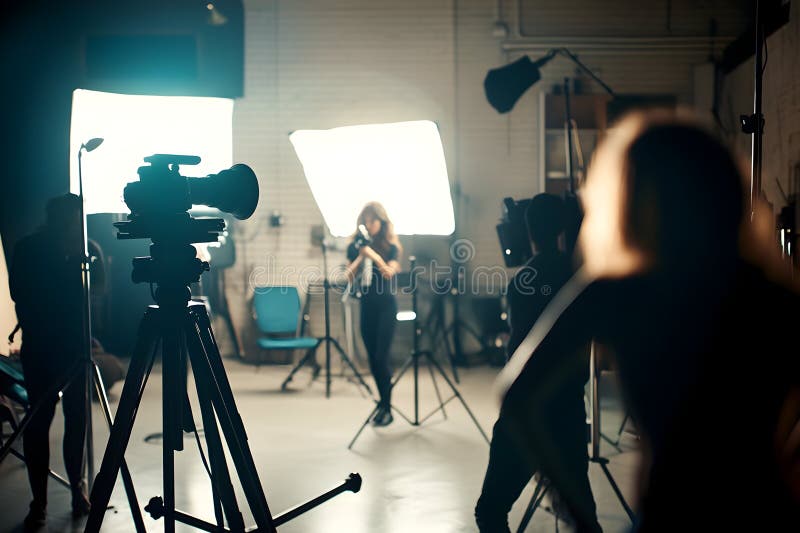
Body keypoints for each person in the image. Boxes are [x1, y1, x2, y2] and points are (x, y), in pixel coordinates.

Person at [496, 110, 800, 531]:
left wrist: (579, 513)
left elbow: (517, 396)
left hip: (670, 509)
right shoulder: (773, 295)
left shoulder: (616, 291)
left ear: (630, 199)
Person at [475, 194, 601, 533]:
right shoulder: (582, 277)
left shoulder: (522, 282)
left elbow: (519, 352)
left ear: (527, 233)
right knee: (583, 518)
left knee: (490, 512)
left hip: (527, 413)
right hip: (570, 409)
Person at [9, 193, 91, 530]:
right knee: (39, 424)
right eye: (73, 219)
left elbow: (94, 294)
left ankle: (77, 491)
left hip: (73, 348)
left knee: (76, 421)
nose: (75, 225)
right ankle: (39, 501)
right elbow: (19, 294)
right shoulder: (32, 249)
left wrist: (89, 263)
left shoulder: (82, 251)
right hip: (43, 347)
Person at [345, 202, 401, 427]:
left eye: (373, 220)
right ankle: (382, 404)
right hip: (366, 306)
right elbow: (348, 275)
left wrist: (375, 257)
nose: (369, 224)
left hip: (386, 306)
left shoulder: (390, 246)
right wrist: (361, 255)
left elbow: (390, 271)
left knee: (381, 357)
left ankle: (387, 408)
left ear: (382, 221)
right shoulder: (355, 247)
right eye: (365, 221)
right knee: (371, 360)